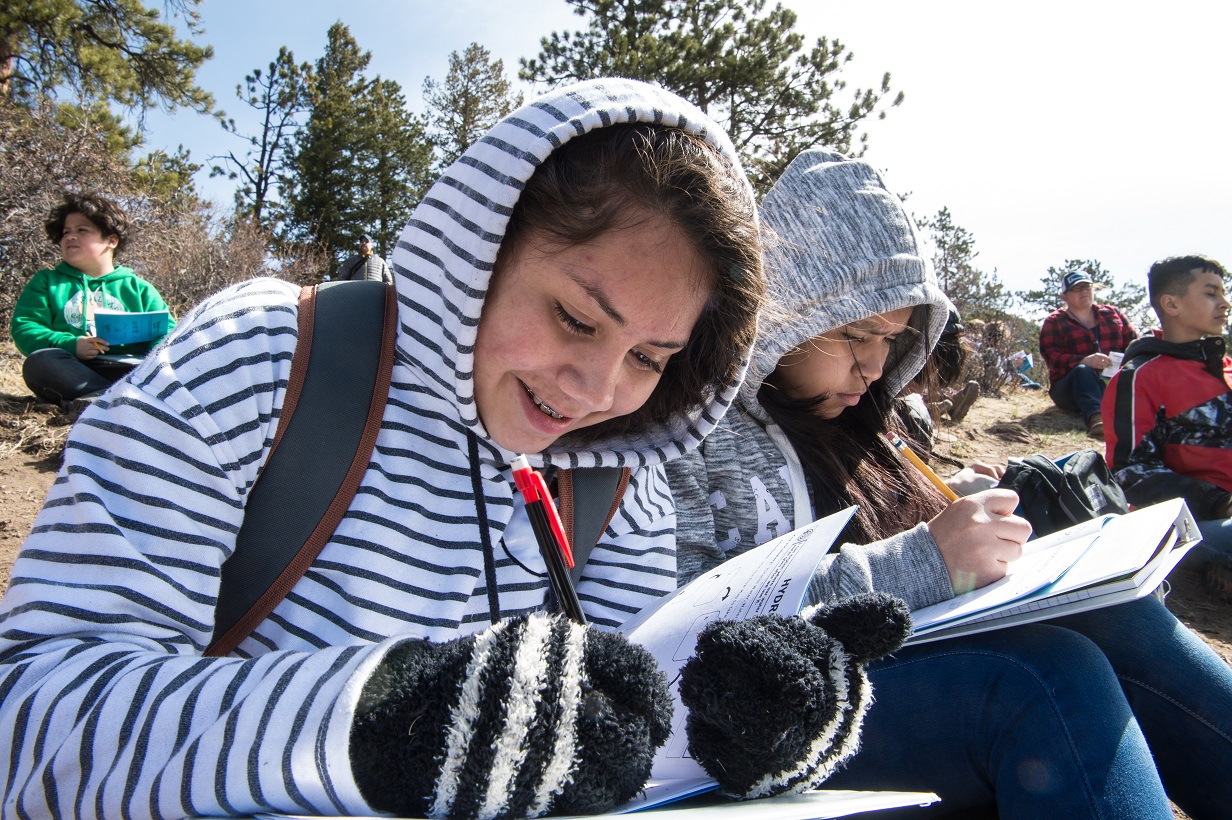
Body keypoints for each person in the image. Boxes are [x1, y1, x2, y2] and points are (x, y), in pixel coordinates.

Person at [0, 80, 903, 819]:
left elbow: (610, 748)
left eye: (650, 358)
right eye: (574, 317)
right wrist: (375, 723)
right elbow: (29, 728)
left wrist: (728, 734)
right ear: (474, 249)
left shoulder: (624, 476)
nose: (593, 392)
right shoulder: (265, 362)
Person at [668, 149, 1232, 818]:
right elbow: (692, 628)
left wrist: (958, 513)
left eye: (895, 338)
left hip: (884, 663)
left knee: (1113, 611)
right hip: (772, 714)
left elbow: (868, 522)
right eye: (855, 334)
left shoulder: (858, 422)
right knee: (1048, 675)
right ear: (788, 311)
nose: (875, 367)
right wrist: (923, 562)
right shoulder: (696, 433)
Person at [1104, 254, 1232, 599]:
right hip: (1194, 524)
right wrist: (1222, 503)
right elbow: (1131, 474)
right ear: (1171, 304)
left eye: (1224, 292)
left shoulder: (1226, 368)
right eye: (1211, 293)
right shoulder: (1140, 376)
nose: (1225, 303)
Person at [10, 191, 175, 404]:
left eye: (82, 230)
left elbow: (169, 334)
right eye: (66, 231)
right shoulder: (45, 282)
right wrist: (72, 344)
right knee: (39, 363)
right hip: (74, 370)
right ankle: (112, 402)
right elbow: (26, 329)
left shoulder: (139, 288)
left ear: (111, 240)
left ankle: (106, 401)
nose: (70, 236)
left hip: (131, 370)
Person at [1038, 269, 1137, 437]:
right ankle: (1098, 419)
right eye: (1077, 288)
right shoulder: (1054, 322)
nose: (1083, 291)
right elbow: (1051, 357)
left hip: (1112, 383)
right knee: (1083, 372)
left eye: (1087, 287)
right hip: (1069, 389)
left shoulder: (1113, 314)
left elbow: (1134, 344)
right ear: (1065, 296)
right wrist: (1083, 361)